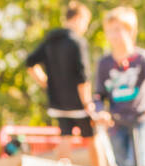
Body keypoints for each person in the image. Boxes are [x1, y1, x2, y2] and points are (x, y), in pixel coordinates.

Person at [92, 6, 145, 166]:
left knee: (137, 161)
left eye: (118, 30)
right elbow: (98, 95)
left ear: (130, 31)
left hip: (141, 119)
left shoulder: (142, 58)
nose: (114, 36)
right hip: (116, 122)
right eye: (110, 31)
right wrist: (100, 111)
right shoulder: (105, 63)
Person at [25, 2, 97, 139]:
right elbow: (83, 76)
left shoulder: (51, 40)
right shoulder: (77, 42)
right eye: (85, 23)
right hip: (79, 103)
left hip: (58, 103)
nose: (85, 28)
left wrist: (45, 82)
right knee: (93, 137)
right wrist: (87, 103)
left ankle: (63, 162)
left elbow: (30, 63)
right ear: (78, 18)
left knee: (65, 137)